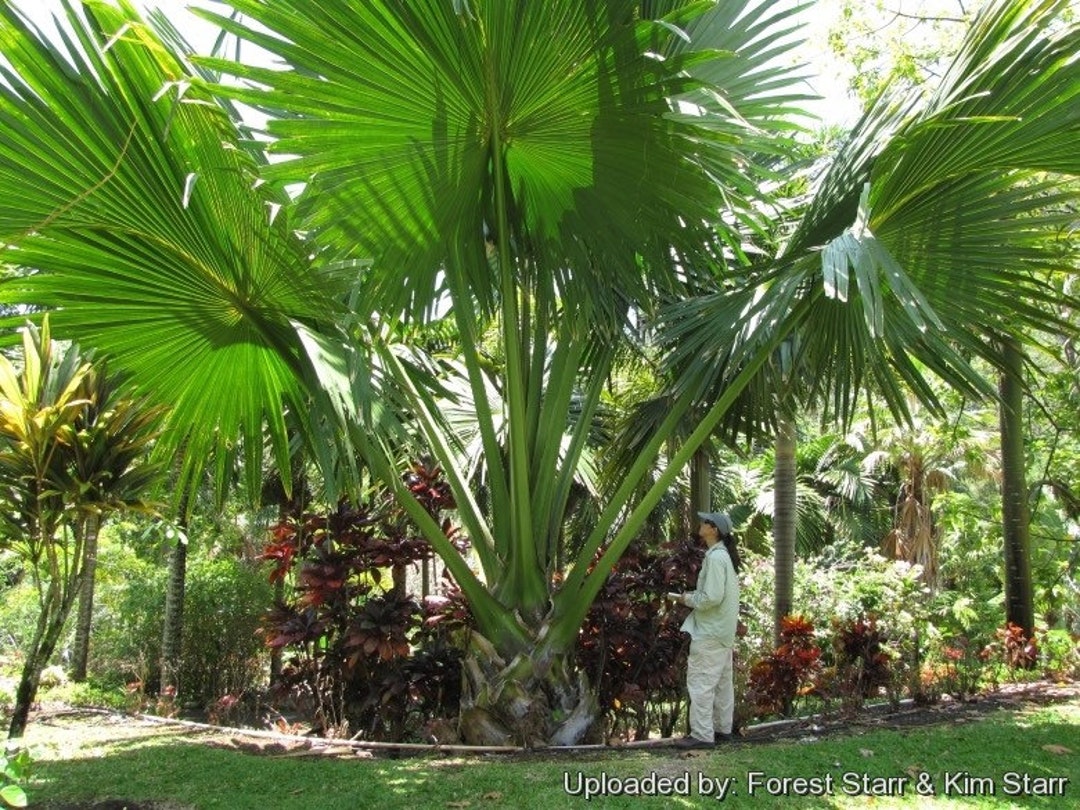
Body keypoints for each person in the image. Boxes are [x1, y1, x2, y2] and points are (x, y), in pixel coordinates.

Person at [666, 511, 742, 749]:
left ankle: (701, 735)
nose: (700, 524)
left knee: (701, 682)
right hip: (722, 631)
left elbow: (711, 597)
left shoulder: (716, 558)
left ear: (714, 530)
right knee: (721, 683)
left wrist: (685, 598)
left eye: (705, 522)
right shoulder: (722, 556)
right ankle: (722, 730)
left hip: (709, 631)